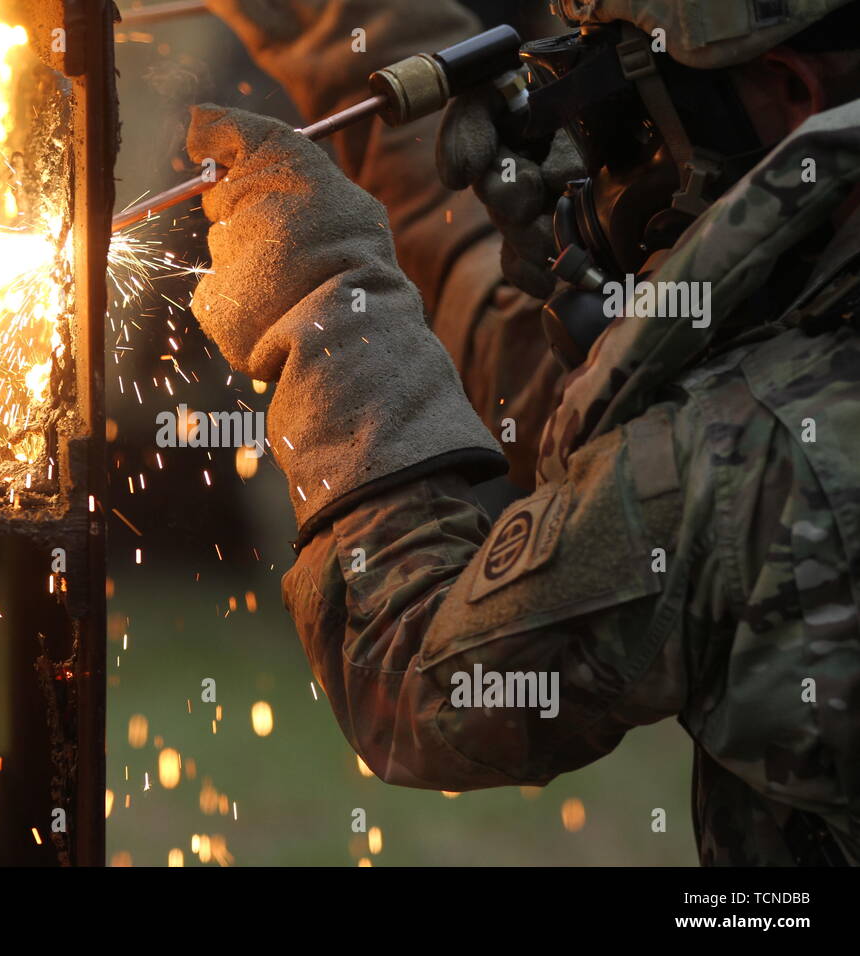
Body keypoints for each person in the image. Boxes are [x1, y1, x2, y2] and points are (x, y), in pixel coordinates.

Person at [186, 0, 860, 864]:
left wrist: (325, 306)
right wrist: (354, 33)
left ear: (789, 91)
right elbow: (605, 449)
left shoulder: (753, 449)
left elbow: (423, 688)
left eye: (637, 99)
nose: (607, 137)